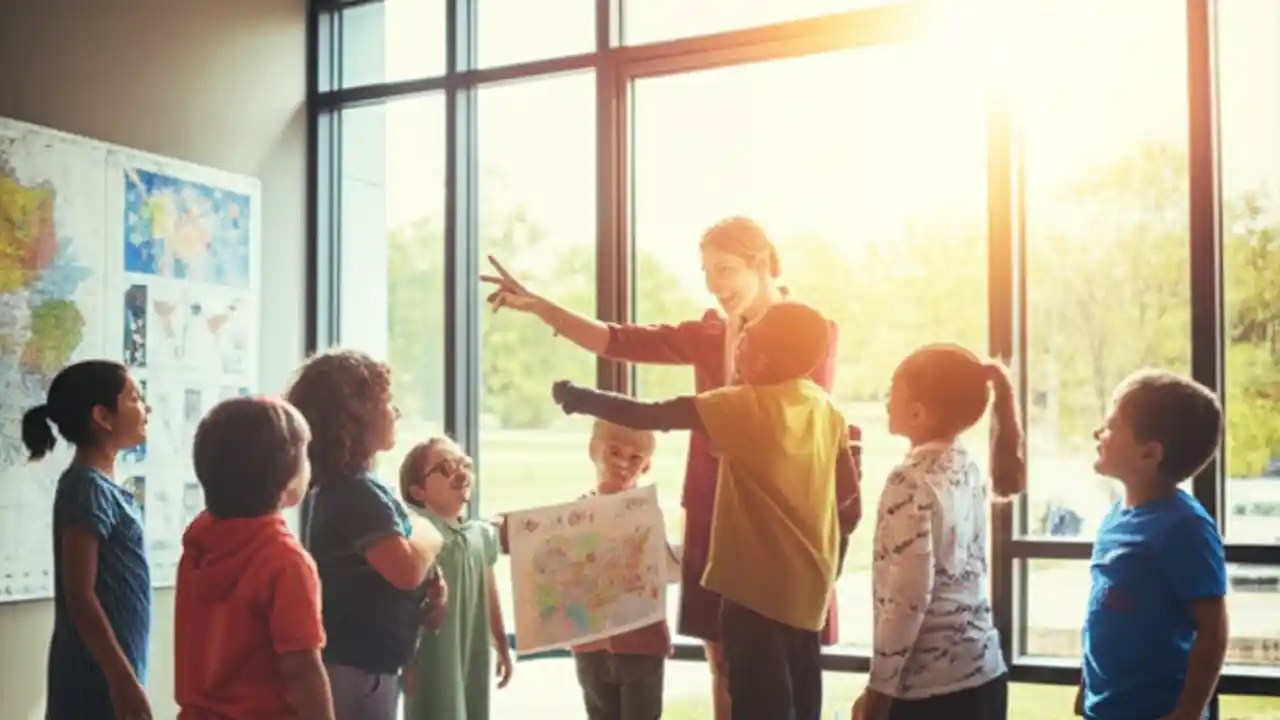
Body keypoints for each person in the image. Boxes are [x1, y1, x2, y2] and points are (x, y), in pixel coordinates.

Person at [482, 216, 842, 719]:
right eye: (707, 273)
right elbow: (619, 340)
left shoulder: (808, 335)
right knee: (724, 651)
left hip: (783, 520)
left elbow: (814, 436)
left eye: (726, 269)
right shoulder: (710, 332)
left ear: (761, 264)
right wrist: (541, 307)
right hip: (714, 503)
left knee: (782, 657)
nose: (716, 286)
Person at [550, 301, 860, 720]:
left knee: (757, 704)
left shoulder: (744, 406)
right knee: (801, 702)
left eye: (747, 337)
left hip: (755, 593)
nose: (738, 344)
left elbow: (651, 414)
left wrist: (576, 397)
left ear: (761, 356)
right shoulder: (824, 407)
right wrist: (831, 564)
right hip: (809, 591)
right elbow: (848, 503)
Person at [851, 344, 1023, 720]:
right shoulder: (966, 465)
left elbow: (907, 595)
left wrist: (879, 689)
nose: (884, 402)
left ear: (917, 413)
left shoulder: (909, 481)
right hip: (983, 673)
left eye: (890, 392)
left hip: (931, 691)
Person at [286, 349, 446, 720]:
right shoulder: (353, 492)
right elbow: (405, 568)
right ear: (353, 418)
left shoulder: (365, 488)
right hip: (356, 673)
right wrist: (428, 529)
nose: (396, 411)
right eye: (386, 402)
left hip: (370, 669)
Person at [1076, 369, 1227, 720]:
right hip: (1105, 709)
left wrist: (1187, 712)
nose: (1098, 433)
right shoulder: (1116, 514)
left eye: (1111, 426)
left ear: (1149, 454)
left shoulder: (1185, 526)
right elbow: (1101, 610)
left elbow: (1213, 631)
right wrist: (1085, 685)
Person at [175, 396, 334, 719]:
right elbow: (302, 669)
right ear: (285, 476)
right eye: (305, 456)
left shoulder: (199, 544)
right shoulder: (285, 561)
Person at [22, 360, 152, 720]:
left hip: (114, 667)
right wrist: (121, 680)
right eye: (135, 397)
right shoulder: (86, 488)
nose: (146, 408)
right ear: (103, 416)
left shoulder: (101, 487)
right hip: (94, 677)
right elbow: (80, 594)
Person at [398, 436, 513, 720]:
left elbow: (489, 589)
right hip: (435, 655)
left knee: (472, 704)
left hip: (472, 647)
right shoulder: (420, 535)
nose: (462, 474)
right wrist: (405, 662)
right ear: (417, 491)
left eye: (465, 465)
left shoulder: (480, 535)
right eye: (447, 468)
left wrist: (501, 641)